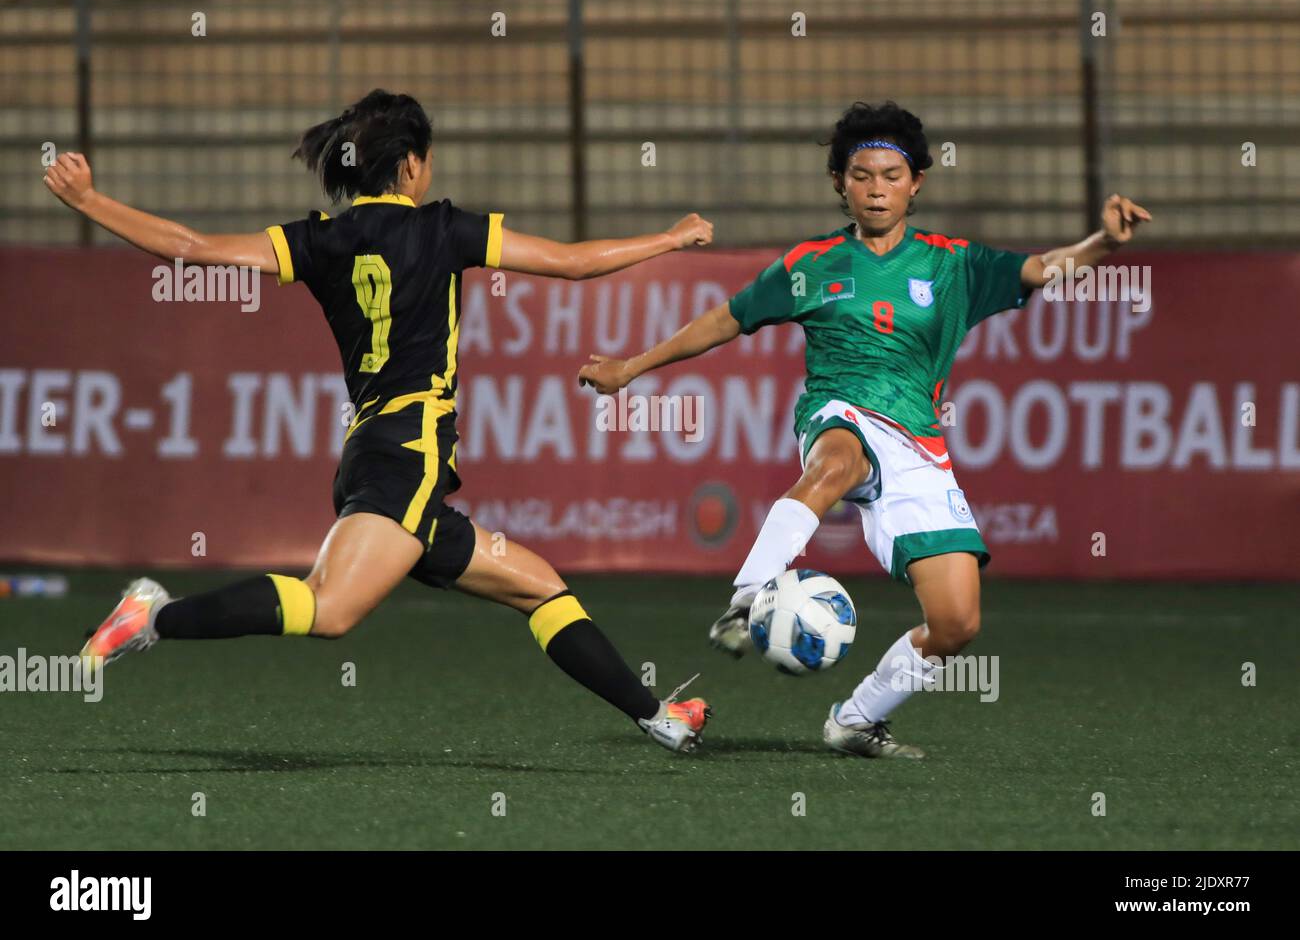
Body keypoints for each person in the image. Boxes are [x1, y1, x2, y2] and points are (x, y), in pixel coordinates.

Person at [49, 89, 715, 753]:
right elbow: (572, 264)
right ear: (409, 166)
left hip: (373, 450)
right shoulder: (444, 228)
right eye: (427, 160)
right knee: (330, 609)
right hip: (410, 453)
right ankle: (154, 616)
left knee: (541, 589)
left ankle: (657, 714)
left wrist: (89, 202)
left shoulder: (320, 240)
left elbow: (191, 248)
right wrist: (671, 236)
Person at [579, 100, 1150, 758]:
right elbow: (725, 320)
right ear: (839, 184)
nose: (876, 188)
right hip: (838, 413)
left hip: (917, 448)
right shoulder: (812, 264)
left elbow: (1043, 269)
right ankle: (747, 597)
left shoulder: (951, 264)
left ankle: (855, 719)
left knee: (957, 624)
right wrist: (632, 367)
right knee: (836, 464)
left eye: (890, 175)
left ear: (917, 184)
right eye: (861, 175)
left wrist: (1102, 243)